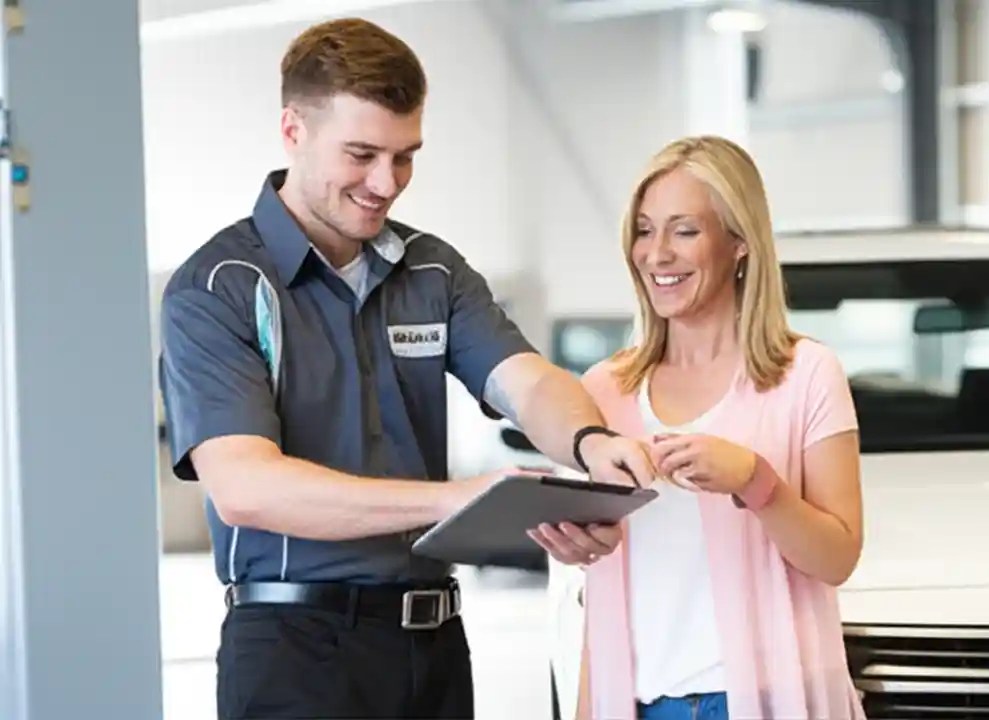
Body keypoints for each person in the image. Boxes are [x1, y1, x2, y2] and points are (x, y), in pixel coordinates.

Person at [157, 18, 654, 720]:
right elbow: (245, 486)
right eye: (361, 153)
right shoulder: (220, 288)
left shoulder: (432, 271)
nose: (385, 183)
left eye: (405, 156)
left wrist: (591, 444)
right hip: (293, 653)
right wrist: (456, 501)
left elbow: (526, 379)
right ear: (293, 130)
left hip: (434, 650)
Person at [569, 136, 867, 720]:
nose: (656, 254)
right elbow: (596, 602)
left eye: (684, 231)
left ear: (738, 243)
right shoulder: (604, 391)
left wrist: (758, 482)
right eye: (645, 230)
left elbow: (837, 558)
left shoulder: (806, 375)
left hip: (771, 703)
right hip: (642, 704)